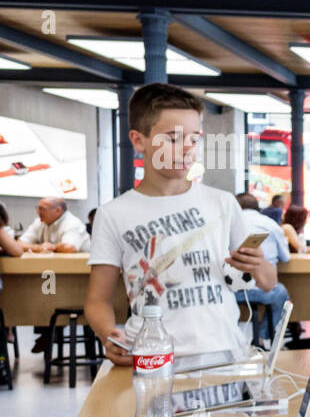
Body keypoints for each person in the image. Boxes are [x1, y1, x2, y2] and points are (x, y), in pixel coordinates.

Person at [85, 84, 277, 364]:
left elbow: (269, 282)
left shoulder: (222, 203)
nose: (187, 148)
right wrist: (109, 335)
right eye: (173, 138)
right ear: (139, 141)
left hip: (224, 352)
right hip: (154, 357)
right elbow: (97, 300)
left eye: (194, 139)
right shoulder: (114, 214)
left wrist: (259, 266)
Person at [234, 191, 292, 347]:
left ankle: (232, 341)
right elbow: (286, 258)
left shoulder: (228, 223)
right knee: (280, 293)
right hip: (265, 289)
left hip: (232, 291)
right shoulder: (271, 224)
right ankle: (262, 337)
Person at [15, 197, 90, 253]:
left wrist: (49, 247)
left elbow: (69, 248)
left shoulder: (72, 223)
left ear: (58, 210)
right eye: (37, 208)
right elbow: (19, 244)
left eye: (42, 209)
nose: (37, 212)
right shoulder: (39, 222)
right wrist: (39, 248)